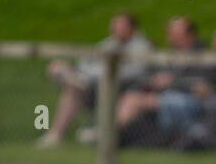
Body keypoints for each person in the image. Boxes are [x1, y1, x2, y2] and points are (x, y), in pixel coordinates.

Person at [38, 12, 154, 147]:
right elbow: (86, 63)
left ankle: (90, 130)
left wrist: (98, 75)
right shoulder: (108, 43)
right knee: (61, 73)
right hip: (93, 85)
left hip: (121, 90)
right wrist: (88, 75)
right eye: (114, 25)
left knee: (75, 88)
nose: (114, 28)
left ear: (131, 27)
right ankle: (55, 135)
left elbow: (135, 72)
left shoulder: (141, 46)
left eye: (119, 25)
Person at [114, 16, 216, 146]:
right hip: (164, 97)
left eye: (174, 33)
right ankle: (115, 135)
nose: (169, 37)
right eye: (169, 32)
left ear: (189, 35)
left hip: (192, 102)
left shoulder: (203, 56)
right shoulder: (171, 55)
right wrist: (154, 80)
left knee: (133, 101)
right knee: (130, 96)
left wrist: (172, 82)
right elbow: (151, 76)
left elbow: (203, 88)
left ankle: (109, 136)